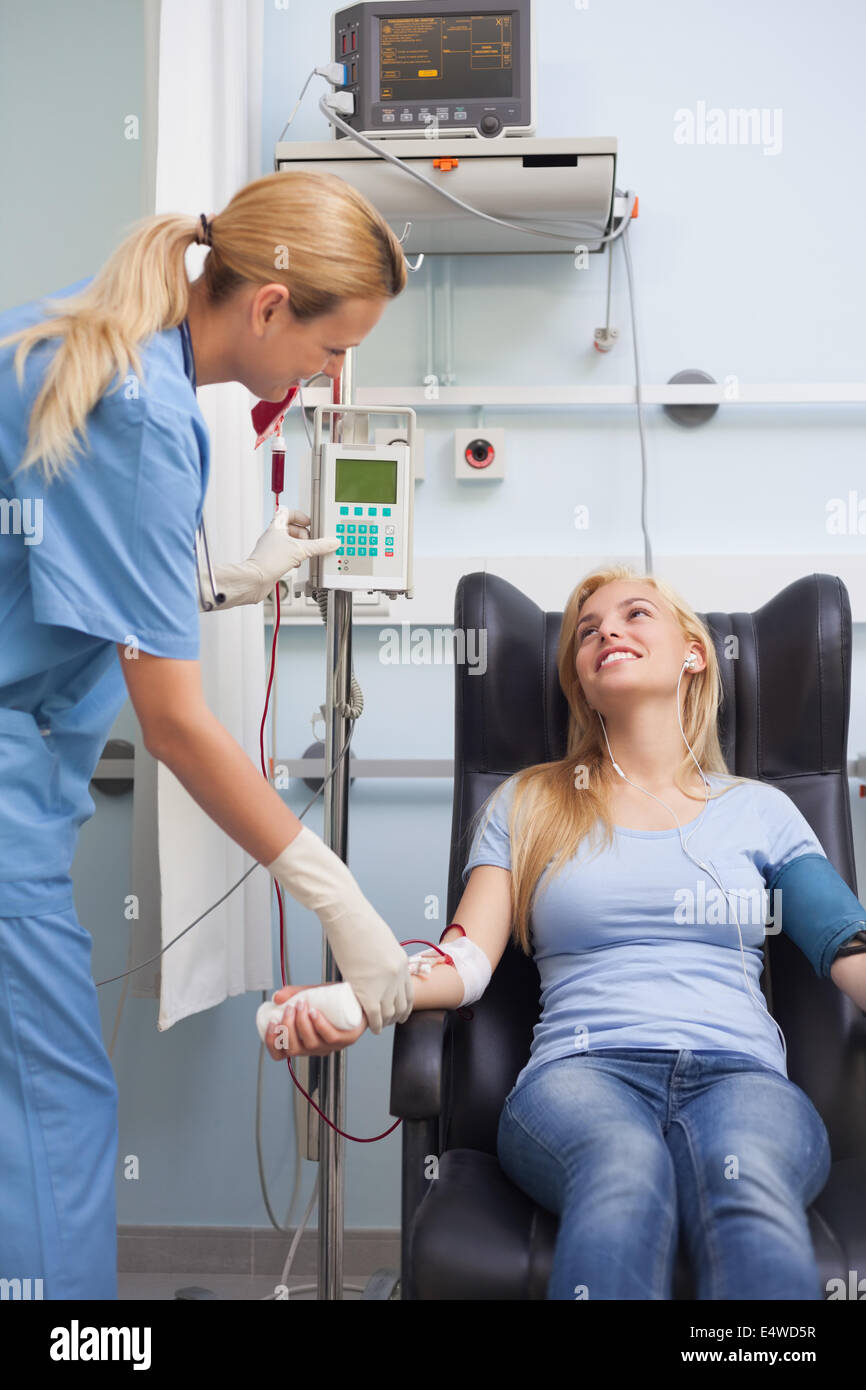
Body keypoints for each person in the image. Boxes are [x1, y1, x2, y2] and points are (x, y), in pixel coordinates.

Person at [0, 170, 417, 1300]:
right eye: (332, 349)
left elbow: (56, 572)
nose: (329, 378)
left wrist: (223, 583)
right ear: (271, 305)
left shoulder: (75, 334)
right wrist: (339, 902)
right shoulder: (143, 410)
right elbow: (175, 722)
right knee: (49, 1120)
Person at [398, 568, 866, 1300]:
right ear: (581, 683)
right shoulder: (529, 801)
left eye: (635, 615)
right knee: (623, 1169)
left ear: (694, 653)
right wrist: (371, 988)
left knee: (746, 1174)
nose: (606, 632)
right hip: (582, 1075)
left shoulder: (760, 811)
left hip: (739, 1075)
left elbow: (847, 946)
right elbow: (464, 958)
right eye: (588, 631)